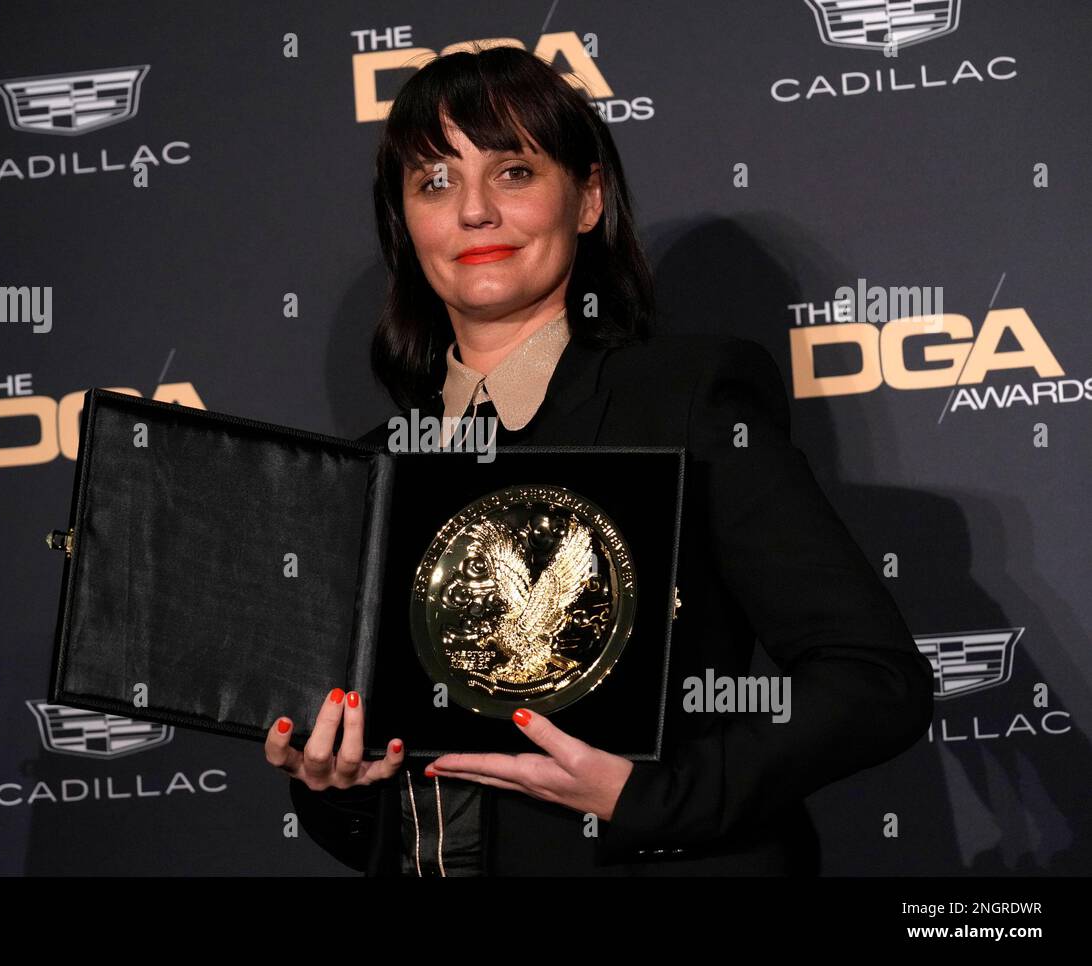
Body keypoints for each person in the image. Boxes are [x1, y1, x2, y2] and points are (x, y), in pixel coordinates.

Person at [263, 45, 934, 876]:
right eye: (436, 181)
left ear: (586, 198)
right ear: (404, 222)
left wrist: (650, 794)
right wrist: (341, 784)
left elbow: (873, 680)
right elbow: (390, 824)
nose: (474, 211)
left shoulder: (683, 401)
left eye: (512, 172)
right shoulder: (376, 473)